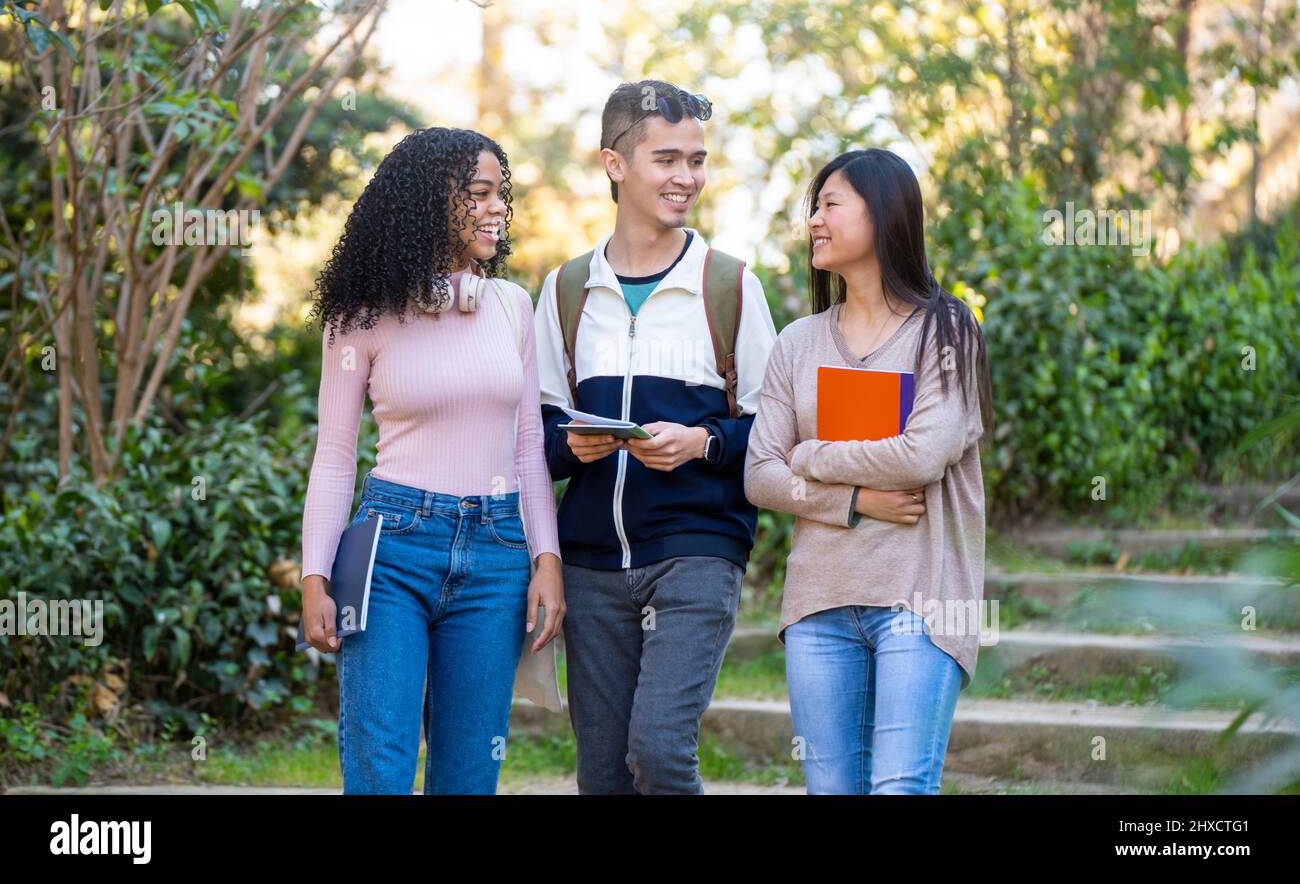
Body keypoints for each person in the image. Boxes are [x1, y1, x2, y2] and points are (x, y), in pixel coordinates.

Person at [299, 127, 565, 794]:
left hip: (498, 556)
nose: (497, 208)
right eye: (479, 194)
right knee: (380, 763)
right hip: (392, 550)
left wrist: (546, 561)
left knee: (471, 771)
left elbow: (529, 444)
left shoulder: (511, 306)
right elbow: (335, 455)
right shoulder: (361, 317)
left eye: (501, 194)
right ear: (428, 203)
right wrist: (313, 576)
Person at [533, 79, 778, 793]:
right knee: (602, 775)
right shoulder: (566, 289)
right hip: (590, 560)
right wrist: (568, 446)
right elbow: (538, 434)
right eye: (667, 159)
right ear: (615, 164)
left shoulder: (729, 285)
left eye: (697, 160)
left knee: (663, 752)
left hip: (700, 547)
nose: (688, 177)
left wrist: (702, 444)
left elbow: (770, 427)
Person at [744, 147, 993, 794]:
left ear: (882, 215)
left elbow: (923, 453)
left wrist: (813, 455)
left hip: (920, 599)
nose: (815, 221)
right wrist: (856, 499)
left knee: (899, 788)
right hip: (818, 604)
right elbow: (760, 474)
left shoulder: (946, 329)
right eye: (813, 208)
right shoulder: (798, 343)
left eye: (831, 204)